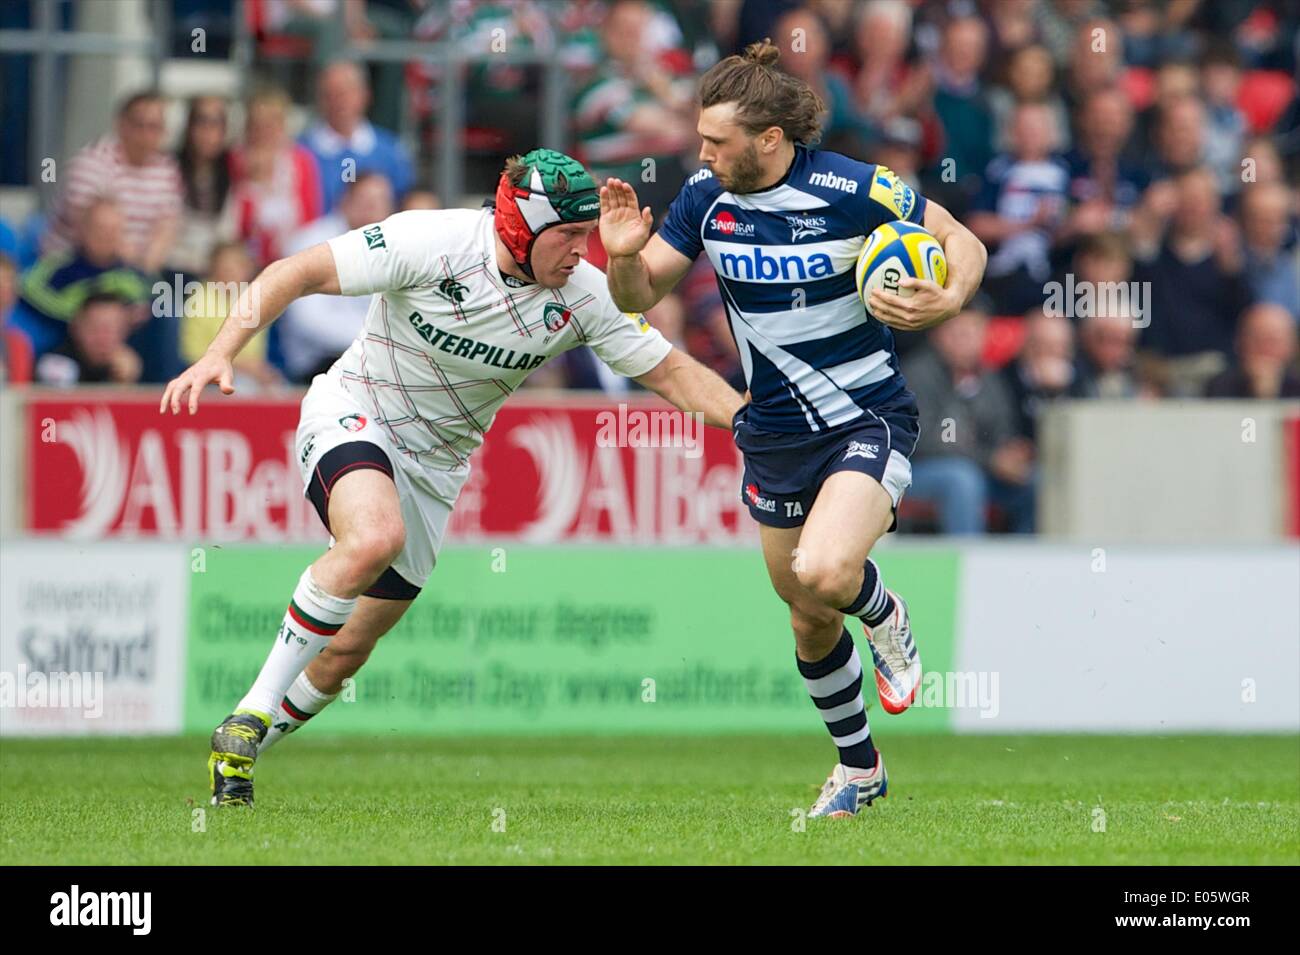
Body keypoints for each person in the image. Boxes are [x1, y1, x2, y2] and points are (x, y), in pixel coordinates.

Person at [160, 148, 744, 807]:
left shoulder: (584, 294)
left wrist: (753, 423)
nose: (582, 251)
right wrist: (218, 352)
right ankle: (250, 709)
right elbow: (298, 271)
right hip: (356, 413)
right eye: (569, 236)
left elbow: (671, 372)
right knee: (372, 536)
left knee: (348, 650)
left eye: (587, 236)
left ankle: (241, 755)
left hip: (436, 471)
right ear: (521, 227)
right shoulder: (432, 241)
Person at [599, 40, 987, 818]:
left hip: (865, 414)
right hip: (773, 432)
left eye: (716, 140)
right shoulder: (705, 197)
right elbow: (636, 296)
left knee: (826, 570)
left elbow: (963, 242)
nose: (700, 152)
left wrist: (946, 301)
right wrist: (620, 258)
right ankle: (860, 769)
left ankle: (887, 614)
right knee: (807, 614)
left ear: (769, 140)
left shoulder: (853, 187)